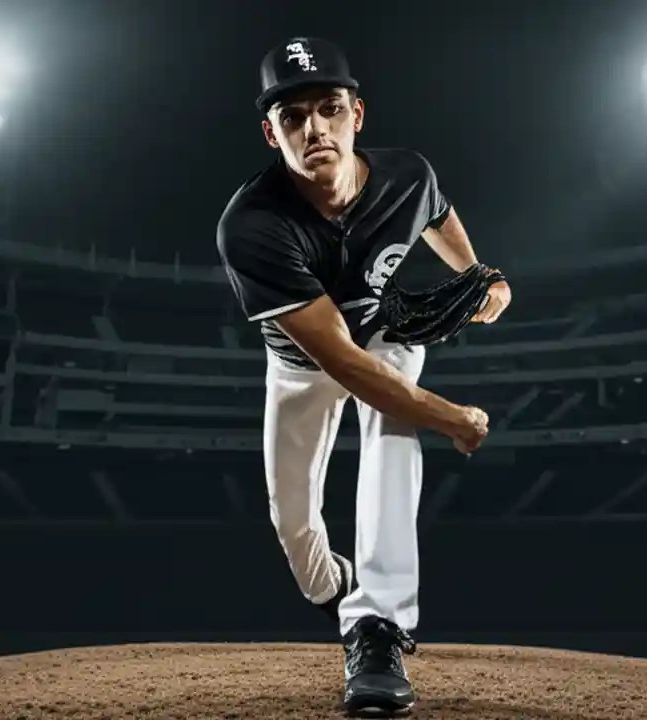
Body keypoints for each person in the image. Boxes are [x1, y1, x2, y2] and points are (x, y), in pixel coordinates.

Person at [215, 36, 511, 715]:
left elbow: (435, 210)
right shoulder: (252, 225)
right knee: (293, 526)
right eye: (293, 116)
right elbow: (341, 362)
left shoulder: (408, 174)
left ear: (357, 114)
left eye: (329, 107)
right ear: (271, 132)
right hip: (303, 362)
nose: (314, 127)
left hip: (382, 330)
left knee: (393, 424)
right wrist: (450, 416)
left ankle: (379, 624)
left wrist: (477, 273)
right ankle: (339, 593)